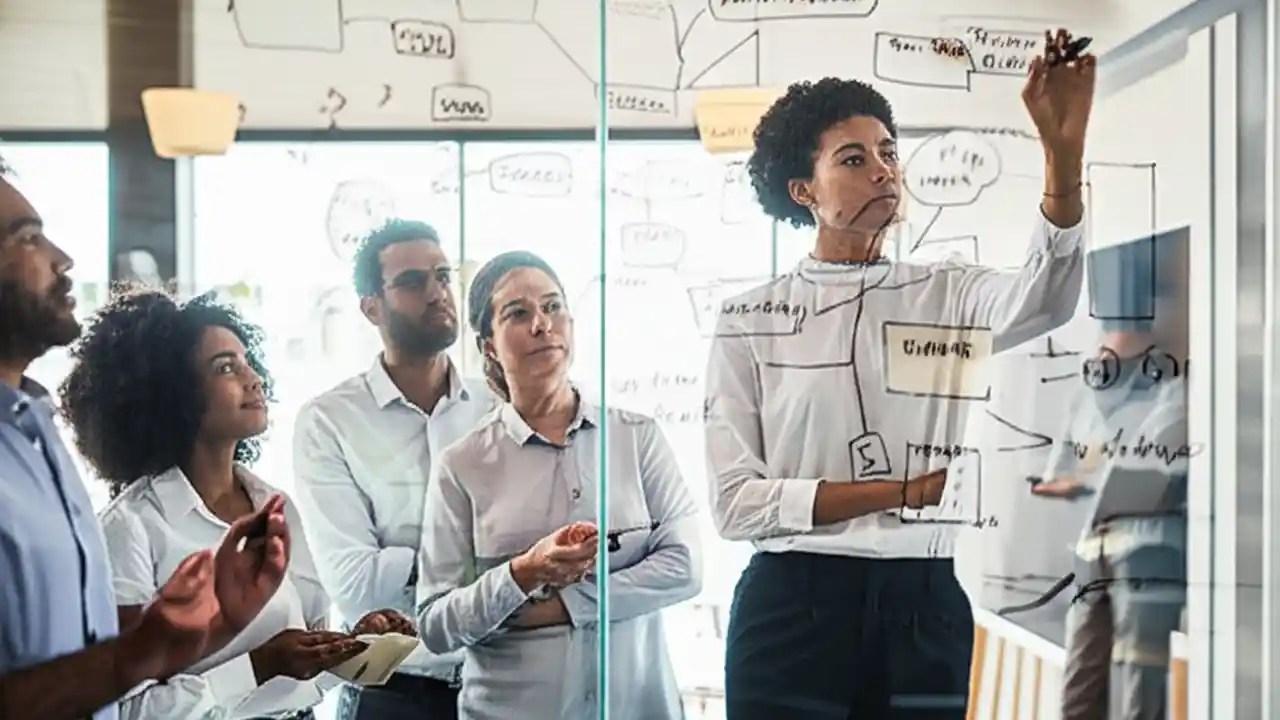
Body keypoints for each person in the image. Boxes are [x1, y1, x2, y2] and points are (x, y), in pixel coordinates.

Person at [704, 30, 1096, 718]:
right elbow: (736, 503)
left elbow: (1048, 295)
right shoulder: (750, 319)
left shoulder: (946, 290)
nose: (883, 171)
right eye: (853, 159)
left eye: (888, 153)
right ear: (803, 190)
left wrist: (1062, 153)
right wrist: (904, 490)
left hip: (923, 605)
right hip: (791, 611)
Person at [0, 160, 291, 720]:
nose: (63, 259)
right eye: (28, 239)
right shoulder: (130, 519)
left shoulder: (36, 435)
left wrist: (195, 631)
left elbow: (90, 674)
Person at [58, 289, 417, 719]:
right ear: (174, 393)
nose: (254, 378)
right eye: (226, 367)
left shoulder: (275, 506)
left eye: (248, 361)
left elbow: (306, 660)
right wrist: (259, 667)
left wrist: (352, 645)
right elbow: (131, 711)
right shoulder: (131, 528)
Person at [416, 250, 703, 720]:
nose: (541, 325)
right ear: (487, 343)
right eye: (518, 313)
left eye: (552, 307)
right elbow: (436, 626)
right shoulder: (462, 465)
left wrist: (561, 606)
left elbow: (685, 567)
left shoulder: (635, 437)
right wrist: (524, 572)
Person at [292, 219, 499, 720]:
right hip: (395, 692)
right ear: (371, 307)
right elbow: (357, 584)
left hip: (501, 684)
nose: (437, 293)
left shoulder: (498, 406)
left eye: (443, 276)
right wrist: (482, 559)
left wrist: (408, 560)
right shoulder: (329, 421)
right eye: (412, 282)